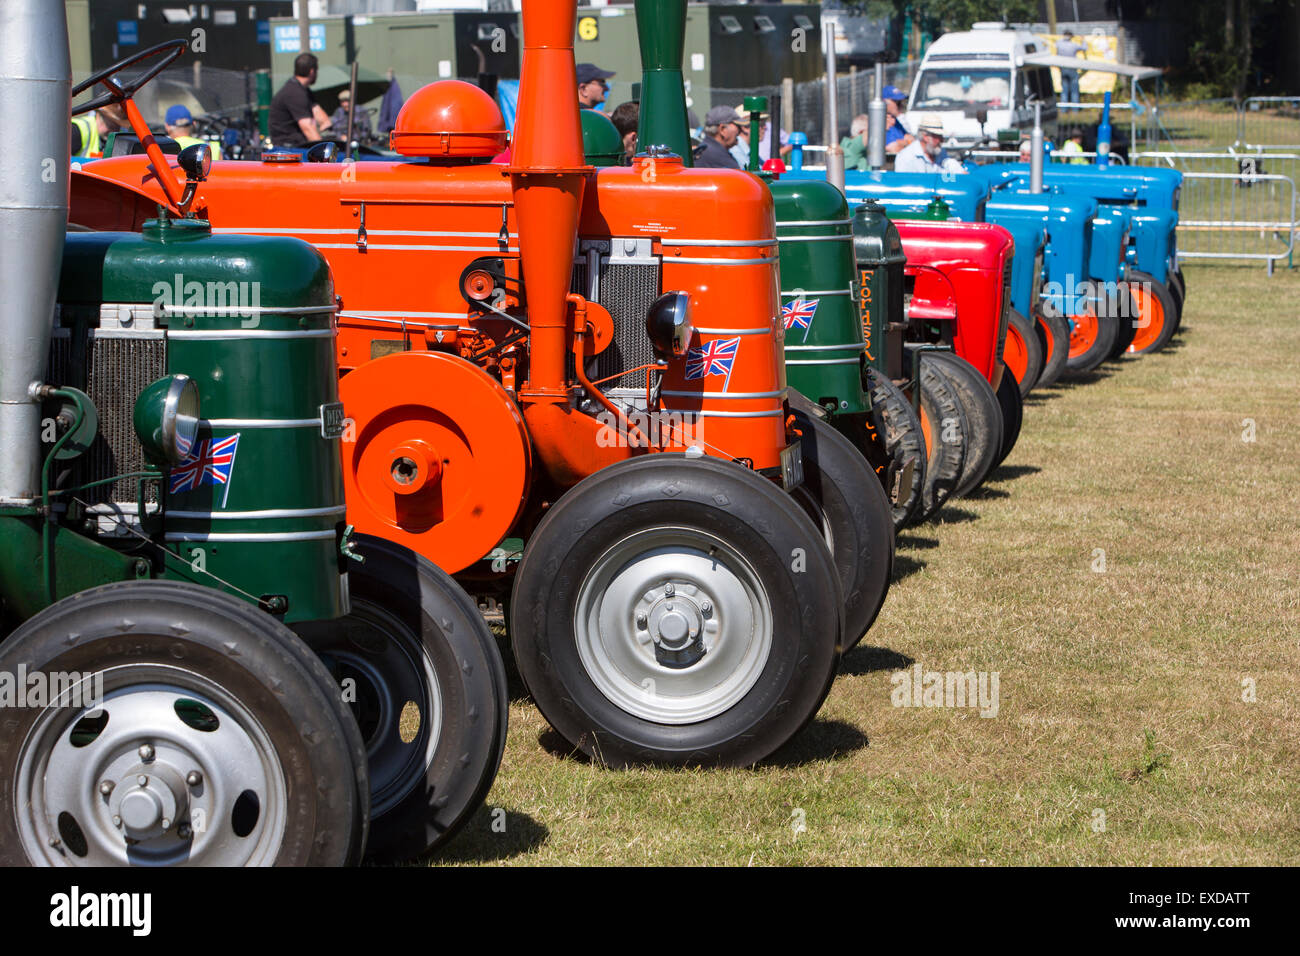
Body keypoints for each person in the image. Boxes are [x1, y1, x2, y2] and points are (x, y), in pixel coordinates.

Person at [269, 53, 333, 148]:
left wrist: (330, 128)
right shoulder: (294, 93)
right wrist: (324, 152)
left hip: (298, 145)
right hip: (288, 149)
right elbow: (308, 128)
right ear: (312, 71)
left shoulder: (303, 90)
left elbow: (321, 116)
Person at [894, 115, 966, 175]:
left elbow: (955, 169)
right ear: (925, 137)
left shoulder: (940, 152)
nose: (941, 140)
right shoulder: (906, 157)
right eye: (938, 136)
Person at [881, 84, 914, 155]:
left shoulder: (896, 121)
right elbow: (892, 148)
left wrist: (902, 142)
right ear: (885, 102)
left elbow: (912, 140)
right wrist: (906, 142)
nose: (901, 106)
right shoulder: (880, 123)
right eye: (897, 103)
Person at [1056, 31, 1084, 105]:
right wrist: (1083, 40)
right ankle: (1075, 109)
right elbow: (1085, 48)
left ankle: (1063, 109)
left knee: (1064, 90)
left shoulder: (1059, 44)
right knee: (1074, 90)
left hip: (1063, 68)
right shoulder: (1073, 45)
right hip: (1072, 68)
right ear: (1071, 37)